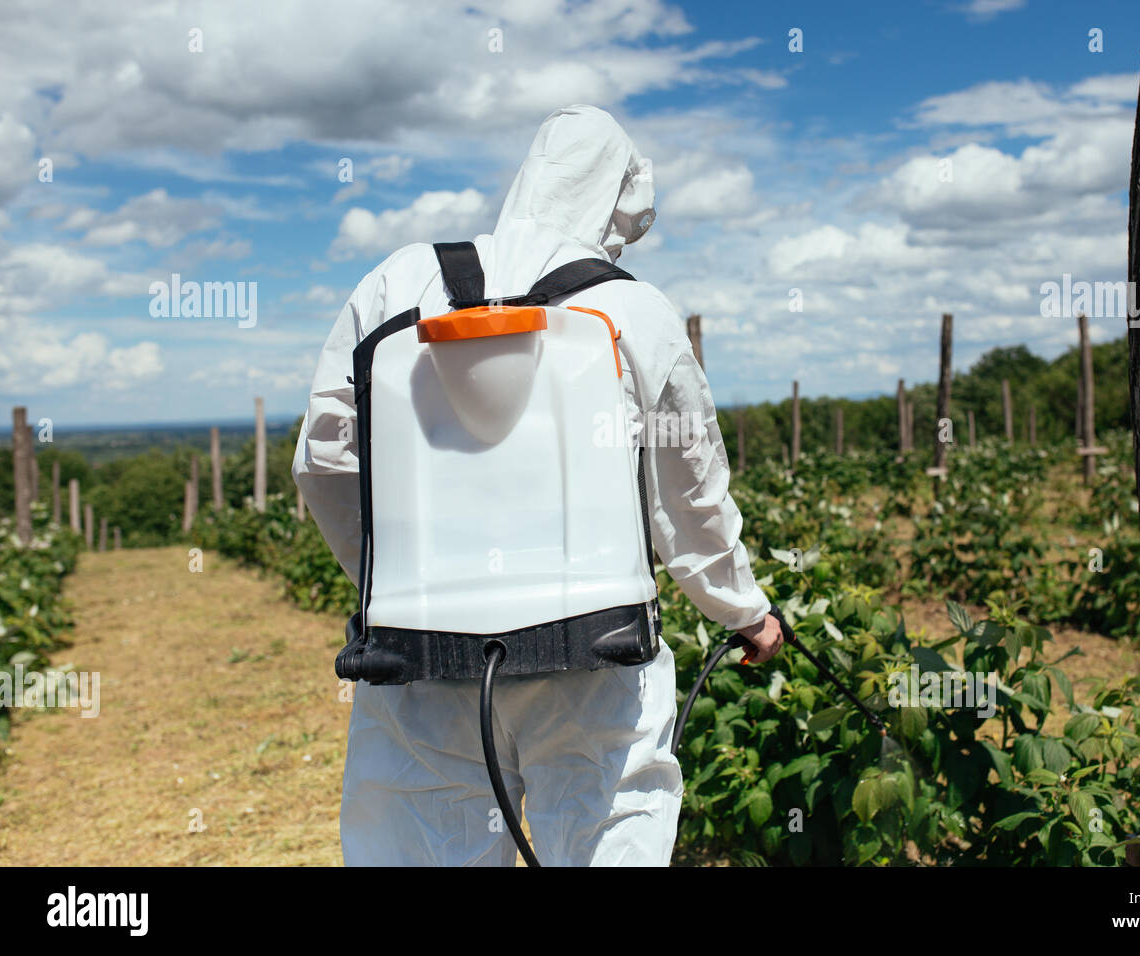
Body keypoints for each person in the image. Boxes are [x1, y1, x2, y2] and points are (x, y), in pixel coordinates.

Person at [292, 104, 782, 867]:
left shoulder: (397, 281)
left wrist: (391, 589)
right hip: (596, 654)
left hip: (420, 661)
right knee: (606, 835)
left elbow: (325, 461)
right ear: (613, 201)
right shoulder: (632, 310)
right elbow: (689, 494)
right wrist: (742, 610)